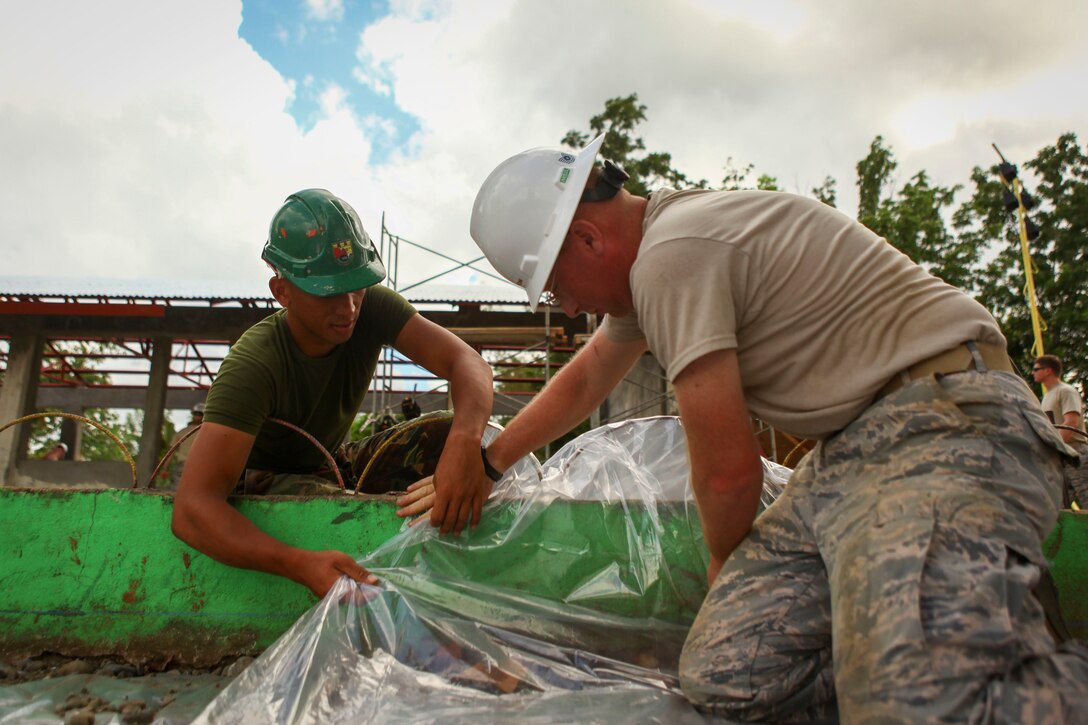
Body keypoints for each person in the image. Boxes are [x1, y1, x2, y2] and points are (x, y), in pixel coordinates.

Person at [450, 134, 1088, 721]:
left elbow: (729, 473)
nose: (568, 306)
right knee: (731, 674)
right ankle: (920, 661)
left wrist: (728, 562)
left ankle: (946, 678)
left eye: (556, 285)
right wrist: (486, 463)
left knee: (921, 701)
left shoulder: (671, 257)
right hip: (853, 453)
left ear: (588, 239)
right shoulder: (662, 246)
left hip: (948, 423)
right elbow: (590, 375)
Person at [171, 189, 494, 599]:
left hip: (331, 463)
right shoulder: (255, 363)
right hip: (265, 481)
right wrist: (299, 564)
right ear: (281, 291)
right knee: (342, 508)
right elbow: (192, 510)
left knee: (471, 439)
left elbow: (470, 366)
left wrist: (464, 444)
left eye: (356, 287)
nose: (348, 308)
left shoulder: (369, 307)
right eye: (328, 292)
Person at [1033, 354, 1088, 506]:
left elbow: (1071, 423)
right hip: (1062, 457)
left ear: (1048, 371)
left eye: (1036, 369)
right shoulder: (1047, 397)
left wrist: (1053, 449)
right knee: (1060, 506)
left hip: (1076, 455)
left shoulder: (1065, 391)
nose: (1033, 372)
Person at [163, 402, 205, 486]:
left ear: (193, 415)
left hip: (182, 466)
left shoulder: (181, 433)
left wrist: (165, 468)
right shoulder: (207, 433)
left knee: (176, 493)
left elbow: (170, 452)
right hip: (200, 467)